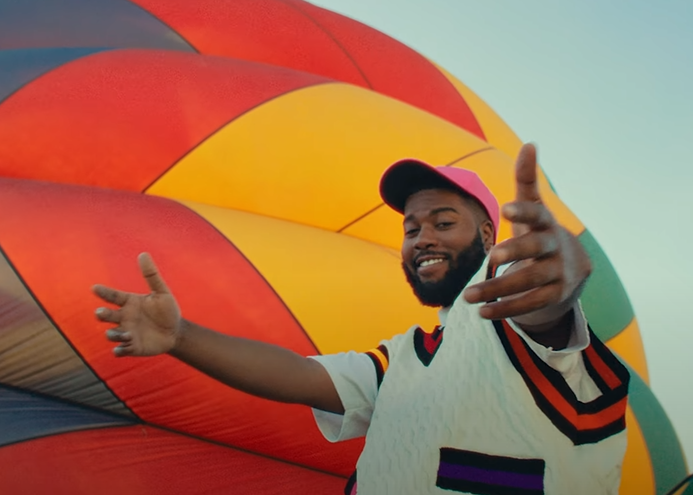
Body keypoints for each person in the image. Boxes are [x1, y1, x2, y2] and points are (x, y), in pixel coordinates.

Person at [93, 144, 630, 494]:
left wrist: (559, 279)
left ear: (489, 236)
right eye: (411, 229)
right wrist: (181, 336)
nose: (423, 238)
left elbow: (544, 309)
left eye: (444, 222)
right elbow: (300, 375)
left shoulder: (510, 315)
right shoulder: (406, 356)